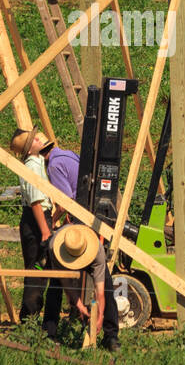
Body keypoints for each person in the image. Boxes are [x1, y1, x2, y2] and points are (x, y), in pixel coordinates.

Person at [10, 129, 62, 335]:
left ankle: (32, 320)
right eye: (35, 139)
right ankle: (28, 321)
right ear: (29, 147)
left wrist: (52, 221)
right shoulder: (32, 166)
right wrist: (44, 231)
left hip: (42, 220)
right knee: (36, 271)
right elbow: (36, 202)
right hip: (35, 222)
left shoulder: (39, 162)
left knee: (42, 270)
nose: (40, 139)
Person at [51, 223, 120, 352]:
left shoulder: (97, 251)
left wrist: (99, 317)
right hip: (63, 259)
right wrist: (81, 308)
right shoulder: (55, 249)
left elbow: (99, 293)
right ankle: (49, 335)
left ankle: (111, 337)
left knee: (107, 287)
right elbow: (67, 285)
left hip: (91, 255)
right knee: (54, 287)